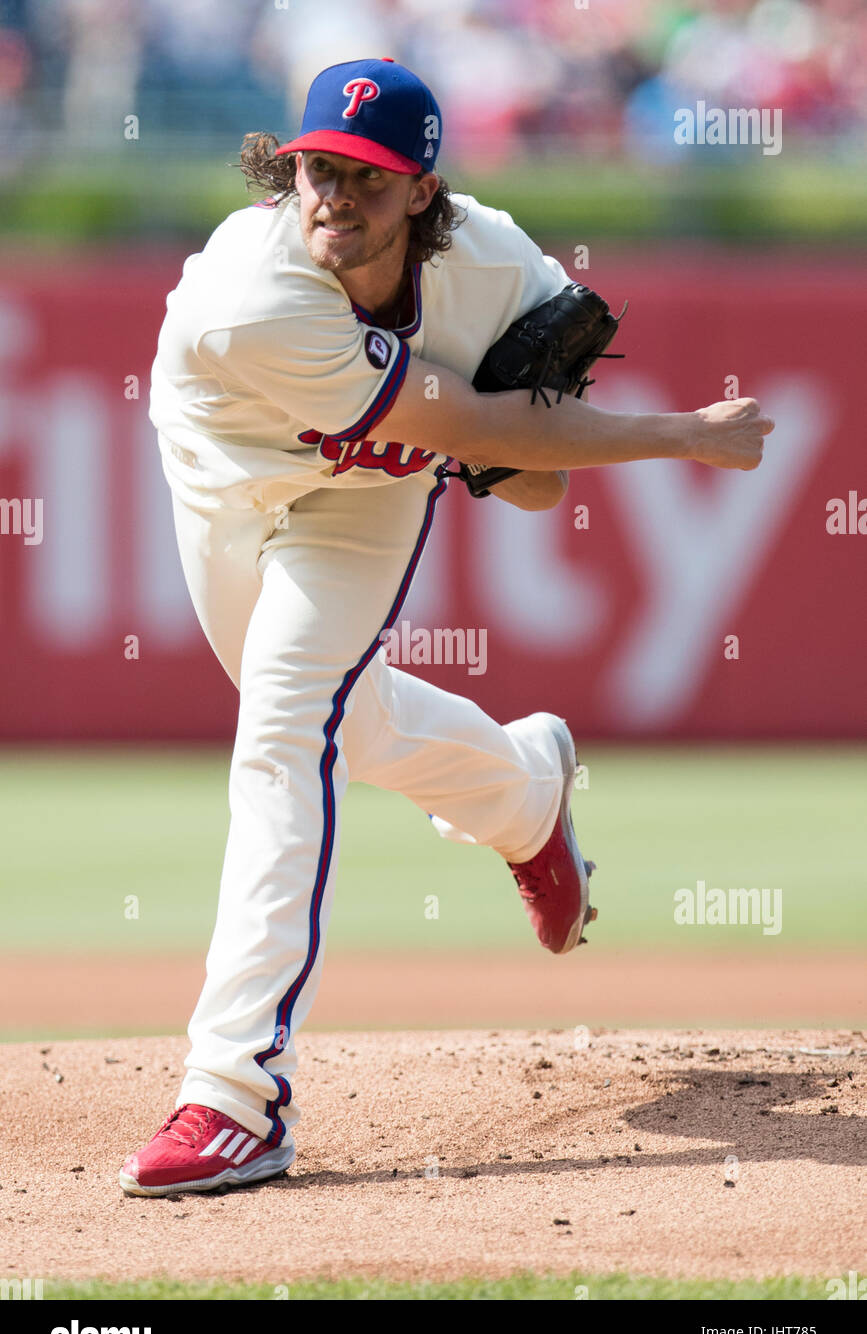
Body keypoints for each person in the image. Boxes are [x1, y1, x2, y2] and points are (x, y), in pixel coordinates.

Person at [119, 57, 774, 1197]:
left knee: (285, 726)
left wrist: (522, 446)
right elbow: (463, 418)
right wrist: (682, 434)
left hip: (359, 503)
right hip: (222, 482)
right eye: (315, 167)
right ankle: (526, 788)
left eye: (367, 179)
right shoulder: (254, 296)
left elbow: (529, 485)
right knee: (346, 729)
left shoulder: (496, 265)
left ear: (424, 191)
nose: (332, 195)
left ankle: (236, 1096)